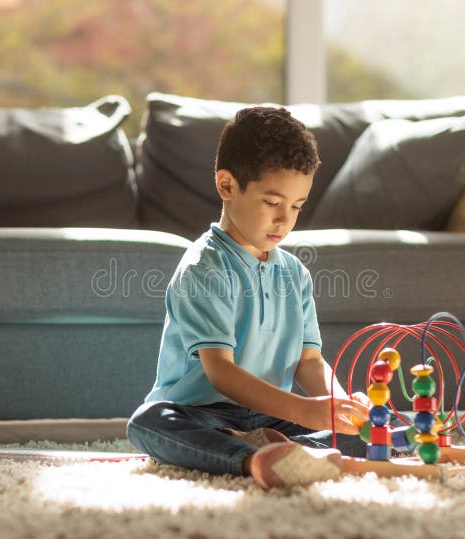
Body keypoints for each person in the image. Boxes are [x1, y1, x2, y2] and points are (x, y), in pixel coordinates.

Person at [127, 106, 370, 489]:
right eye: (272, 203)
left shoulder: (295, 273)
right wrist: (305, 410)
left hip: (272, 418)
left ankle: (290, 449)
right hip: (201, 413)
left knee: (377, 429)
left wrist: (338, 405)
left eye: (296, 206)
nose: (284, 220)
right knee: (147, 424)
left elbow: (309, 360)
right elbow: (220, 373)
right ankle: (252, 458)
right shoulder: (203, 269)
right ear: (227, 186)